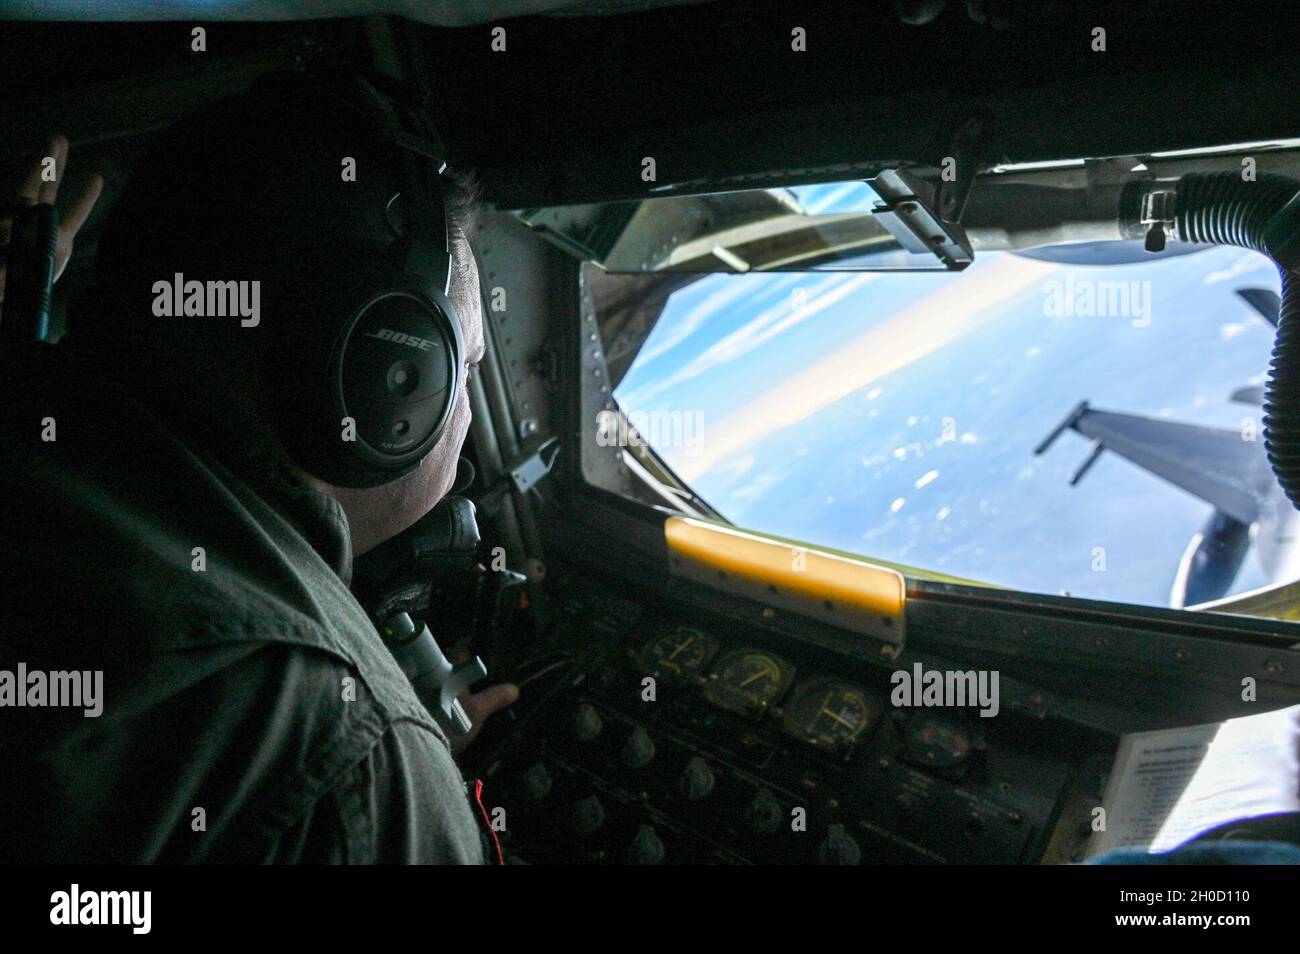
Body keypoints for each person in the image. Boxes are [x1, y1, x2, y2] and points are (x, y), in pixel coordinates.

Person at [0, 69, 517, 863]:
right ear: (384, 378)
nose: (474, 425)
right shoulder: (356, 760)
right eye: (468, 366)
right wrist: (404, 795)